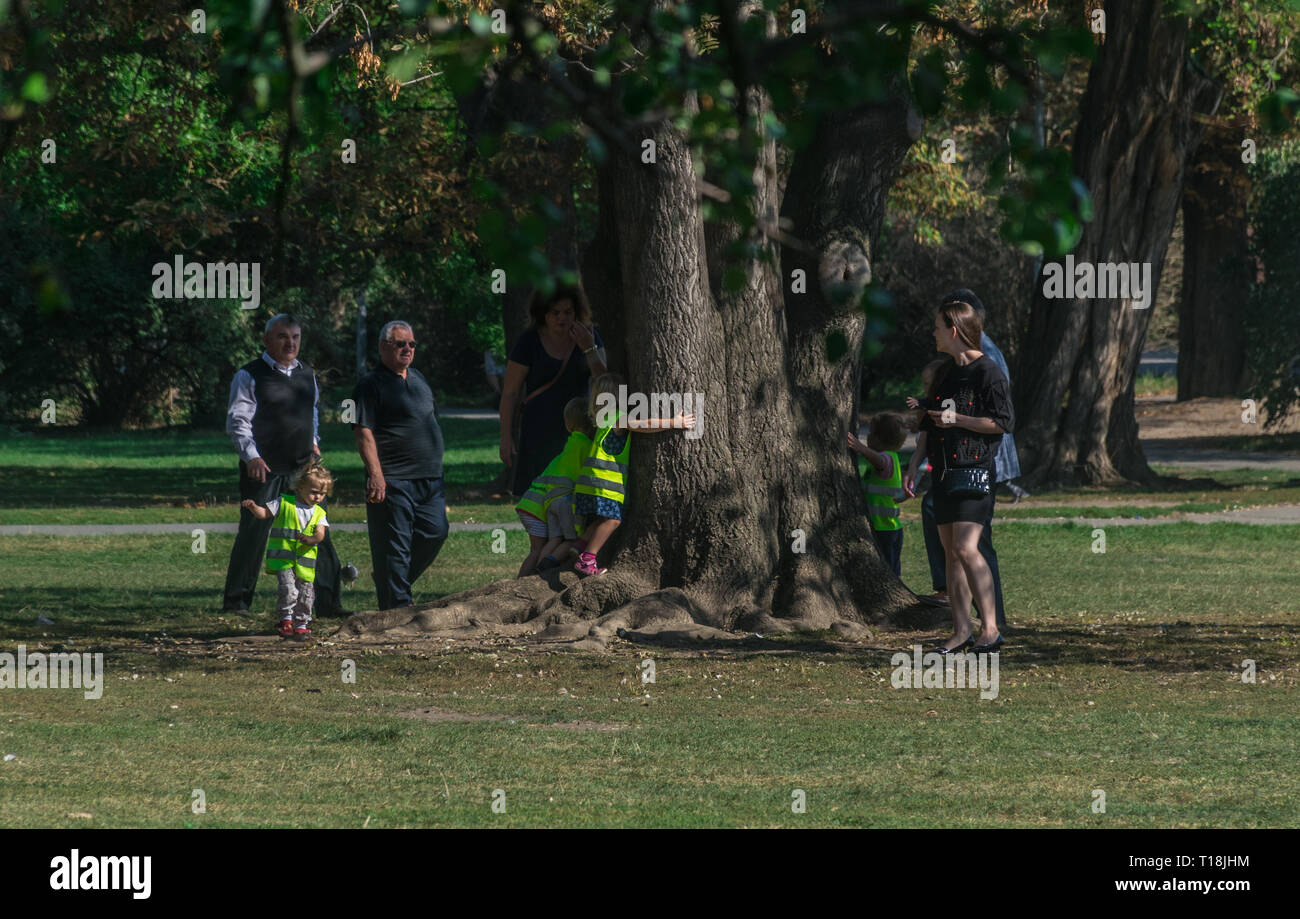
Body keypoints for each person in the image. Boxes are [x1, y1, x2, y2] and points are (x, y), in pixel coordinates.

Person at [903, 300, 1014, 654]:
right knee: (951, 553)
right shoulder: (945, 373)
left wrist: (958, 421)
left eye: (937, 327)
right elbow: (928, 426)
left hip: (975, 472)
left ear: (953, 330)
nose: (933, 333)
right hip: (943, 473)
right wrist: (915, 463)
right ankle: (961, 630)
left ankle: (991, 629)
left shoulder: (988, 372)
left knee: (967, 548)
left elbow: (1002, 422)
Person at [222, 313, 345, 617]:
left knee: (319, 531)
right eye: (282, 337)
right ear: (267, 340)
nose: (290, 343)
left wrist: (314, 440)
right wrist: (251, 456)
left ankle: (328, 604)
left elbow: (311, 412)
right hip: (264, 468)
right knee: (254, 531)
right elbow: (238, 421)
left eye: (295, 337)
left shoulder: (307, 374)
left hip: (303, 470)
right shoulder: (249, 375)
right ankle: (237, 602)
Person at [352, 320, 449, 610]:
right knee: (396, 545)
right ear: (384, 347)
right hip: (394, 478)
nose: (407, 349)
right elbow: (362, 431)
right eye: (400, 344)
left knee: (436, 531)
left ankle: (390, 580)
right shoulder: (369, 385)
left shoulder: (418, 378)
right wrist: (376, 475)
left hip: (430, 478)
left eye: (411, 344)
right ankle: (397, 609)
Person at [572, 373, 695, 577]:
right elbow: (643, 424)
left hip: (589, 483)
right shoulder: (617, 417)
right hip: (605, 484)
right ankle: (587, 559)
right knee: (613, 520)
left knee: (600, 519)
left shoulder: (603, 419)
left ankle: (578, 545)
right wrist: (674, 421)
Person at [499, 284, 608, 497]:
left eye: (568, 312)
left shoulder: (588, 336)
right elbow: (510, 392)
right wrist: (505, 437)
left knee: (573, 497)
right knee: (539, 498)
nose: (562, 319)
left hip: (578, 429)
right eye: (555, 313)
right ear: (543, 314)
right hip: (538, 431)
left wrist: (588, 347)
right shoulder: (529, 341)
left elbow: (604, 380)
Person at [240, 462, 334, 640]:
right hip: (284, 559)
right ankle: (286, 620)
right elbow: (263, 514)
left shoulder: (319, 513)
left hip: (306, 563)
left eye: (322, 494)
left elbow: (320, 534)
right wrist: (253, 507)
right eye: (314, 492)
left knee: (306, 594)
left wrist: (312, 539)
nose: (318, 497)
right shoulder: (284, 502)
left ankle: (301, 624)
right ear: (300, 487)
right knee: (288, 590)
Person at [515, 398, 593, 577]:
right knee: (571, 540)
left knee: (552, 540)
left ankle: (531, 576)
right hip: (558, 502)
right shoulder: (587, 447)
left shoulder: (568, 447)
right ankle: (544, 567)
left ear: (567, 425)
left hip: (545, 503)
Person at [847, 412, 911, 577]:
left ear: (878, 438)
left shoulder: (886, 458)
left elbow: (879, 461)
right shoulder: (894, 458)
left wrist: (861, 448)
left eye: (870, 433)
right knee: (892, 566)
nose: (867, 436)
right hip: (890, 527)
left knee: (888, 569)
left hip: (884, 528)